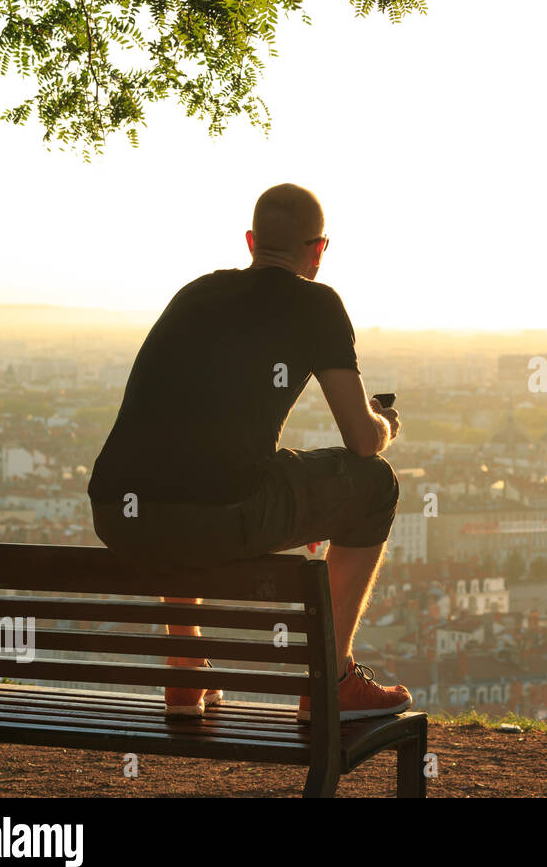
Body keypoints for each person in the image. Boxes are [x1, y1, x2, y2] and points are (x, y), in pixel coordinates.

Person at [87, 183, 411, 722]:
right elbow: (360, 440)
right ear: (319, 250)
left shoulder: (196, 294)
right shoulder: (318, 304)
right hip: (218, 515)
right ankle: (330, 681)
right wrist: (385, 425)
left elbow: (189, 432)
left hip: (119, 514)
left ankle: (186, 671)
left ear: (252, 241)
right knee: (376, 484)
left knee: (184, 477)